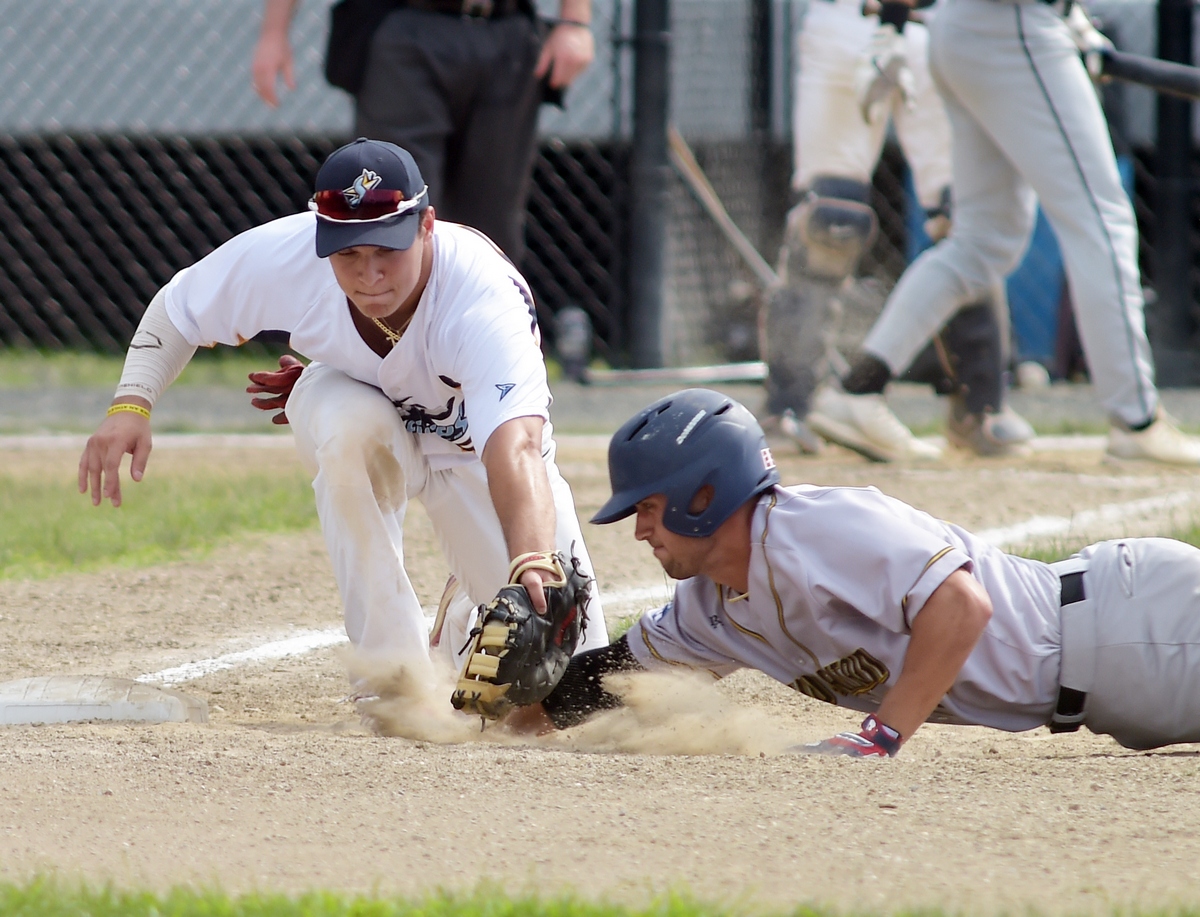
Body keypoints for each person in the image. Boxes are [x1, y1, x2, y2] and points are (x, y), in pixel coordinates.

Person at [77, 137, 610, 691]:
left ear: (426, 225)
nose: (369, 274)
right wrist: (130, 406)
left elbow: (515, 445)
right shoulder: (288, 256)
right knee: (344, 427)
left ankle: (460, 624)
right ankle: (394, 680)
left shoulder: (480, 296)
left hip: (473, 451)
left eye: (387, 250)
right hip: (358, 411)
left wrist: (530, 559)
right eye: (349, 253)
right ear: (322, 236)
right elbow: (178, 309)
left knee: (570, 688)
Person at [523, 389, 1200, 755]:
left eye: (647, 507)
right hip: (1116, 692)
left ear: (705, 494)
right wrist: (499, 713)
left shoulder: (815, 527)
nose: (639, 530)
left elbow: (962, 607)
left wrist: (880, 736)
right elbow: (615, 679)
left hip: (1140, 628)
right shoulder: (709, 608)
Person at [806, 0, 1200, 465]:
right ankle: (1136, 419)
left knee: (983, 240)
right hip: (1011, 21)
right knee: (1101, 219)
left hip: (966, 29)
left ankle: (859, 389)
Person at [768, 0, 1034, 460]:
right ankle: (790, 406)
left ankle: (981, 407)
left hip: (941, 25)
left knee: (963, 217)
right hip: (848, 22)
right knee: (832, 222)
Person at [251, 0, 594, 263]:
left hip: (507, 29)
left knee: (492, 225)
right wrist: (273, 32)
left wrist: (576, 19)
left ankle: (481, 349)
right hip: (404, 26)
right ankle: (396, 349)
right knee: (397, 212)